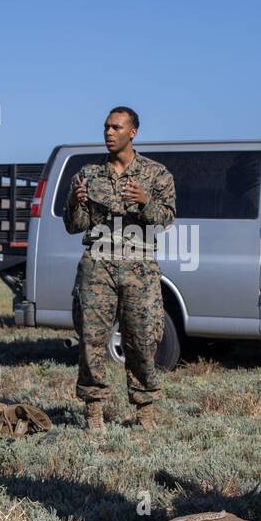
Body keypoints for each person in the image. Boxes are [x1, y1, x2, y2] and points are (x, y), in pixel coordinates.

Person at [63, 106, 175, 433]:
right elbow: (75, 225)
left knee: (142, 338)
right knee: (91, 339)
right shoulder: (87, 175)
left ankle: (144, 411)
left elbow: (166, 220)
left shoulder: (157, 175)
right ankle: (94, 410)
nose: (109, 133)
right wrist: (74, 202)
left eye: (116, 127)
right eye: (106, 127)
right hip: (97, 264)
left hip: (139, 264)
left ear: (133, 133)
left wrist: (145, 202)